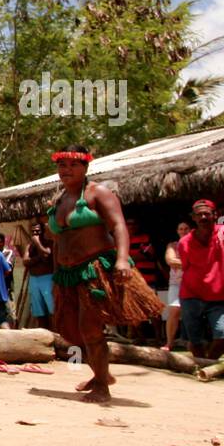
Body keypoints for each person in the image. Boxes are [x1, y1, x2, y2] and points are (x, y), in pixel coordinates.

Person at [48, 145, 163, 402]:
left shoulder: (98, 193)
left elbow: (118, 225)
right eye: (61, 165)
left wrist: (122, 259)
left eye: (73, 165)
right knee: (70, 330)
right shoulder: (59, 199)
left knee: (90, 328)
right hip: (68, 274)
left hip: (95, 268)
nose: (66, 170)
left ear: (86, 167)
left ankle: (102, 386)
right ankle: (100, 373)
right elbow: (58, 239)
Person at [177, 198, 224, 359]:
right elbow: (186, 266)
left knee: (223, 337)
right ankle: (203, 369)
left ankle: (207, 364)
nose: (203, 217)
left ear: (215, 215)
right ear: (193, 217)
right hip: (191, 295)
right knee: (195, 340)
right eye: (199, 215)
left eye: (206, 214)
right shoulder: (184, 242)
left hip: (217, 297)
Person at [161, 220, 191, 350]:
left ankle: (193, 342)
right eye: (181, 229)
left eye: (186, 228)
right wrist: (193, 263)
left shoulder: (196, 243)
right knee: (174, 310)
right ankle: (169, 343)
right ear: (177, 231)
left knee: (192, 312)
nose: (183, 231)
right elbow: (170, 260)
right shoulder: (173, 245)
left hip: (193, 282)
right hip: (176, 283)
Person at [23, 220, 56, 331]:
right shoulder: (29, 246)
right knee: (39, 310)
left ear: (43, 231)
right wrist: (39, 258)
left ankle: (57, 333)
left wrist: (37, 243)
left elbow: (47, 255)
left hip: (47, 278)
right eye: (33, 232)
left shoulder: (49, 243)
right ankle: (44, 334)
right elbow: (26, 261)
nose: (35, 233)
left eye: (38, 231)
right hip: (34, 279)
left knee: (52, 309)